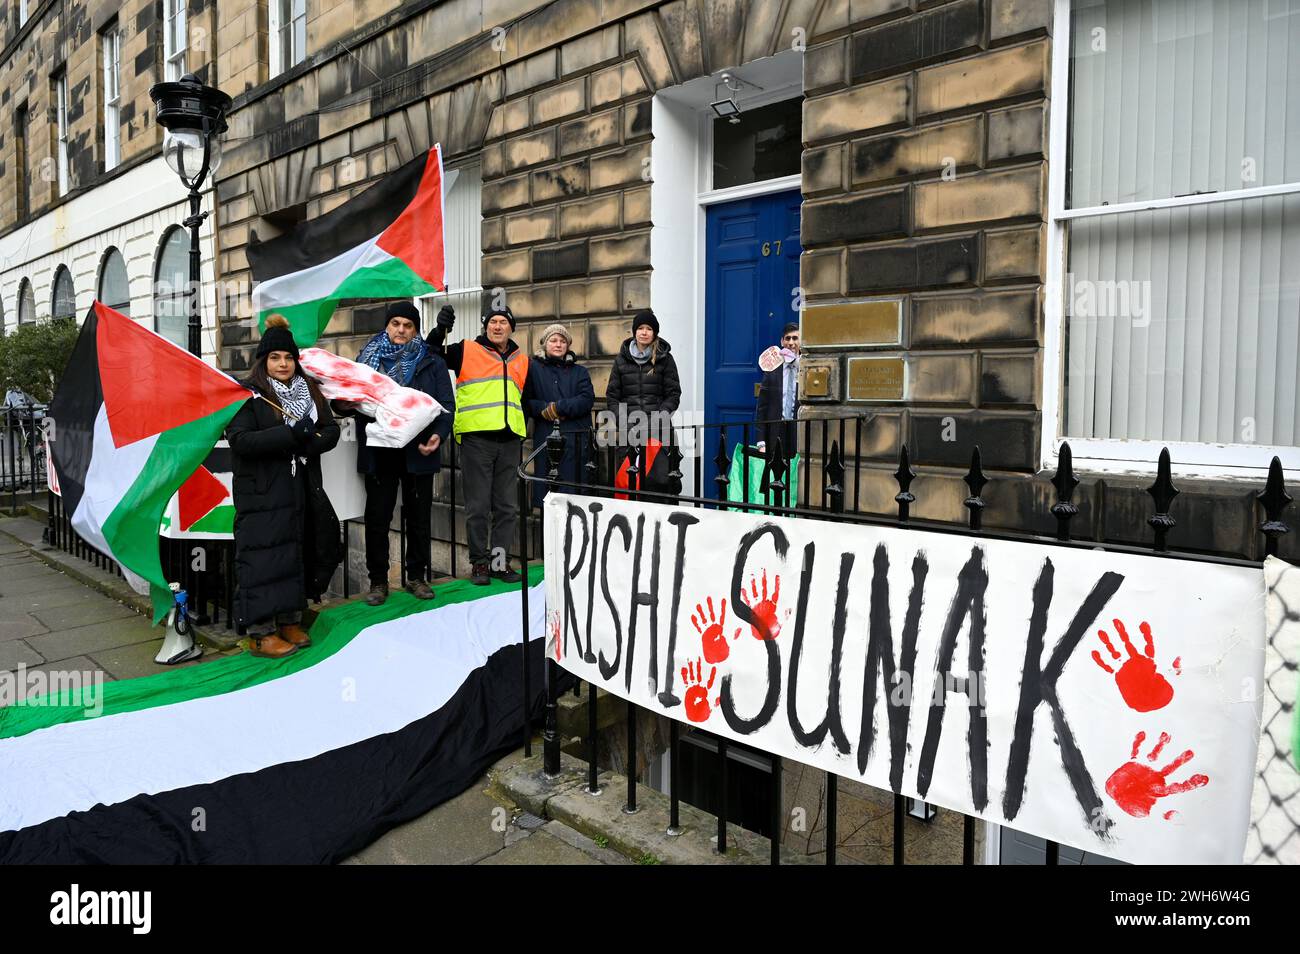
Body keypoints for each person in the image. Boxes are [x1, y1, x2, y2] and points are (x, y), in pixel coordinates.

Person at [227, 315, 341, 659]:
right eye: (275, 358)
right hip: (263, 492)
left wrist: (308, 444)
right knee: (264, 557)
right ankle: (261, 632)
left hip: (299, 487)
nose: (283, 364)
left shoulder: (311, 393)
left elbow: (330, 430)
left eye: (289, 358)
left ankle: (289, 619)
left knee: (295, 552)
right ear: (264, 361)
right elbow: (241, 440)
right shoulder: (249, 395)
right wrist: (291, 435)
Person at [339, 301, 454, 606]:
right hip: (380, 451)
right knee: (378, 517)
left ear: (415, 329)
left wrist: (438, 436)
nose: (401, 330)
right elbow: (344, 400)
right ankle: (378, 581)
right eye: (396, 324)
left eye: (408, 325)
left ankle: (416, 576)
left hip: (419, 450)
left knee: (419, 518)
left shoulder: (431, 361)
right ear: (387, 326)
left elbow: (446, 406)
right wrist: (344, 404)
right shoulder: (366, 361)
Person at [427, 304, 530, 586]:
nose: (498, 326)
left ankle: (499, 563)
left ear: (511, 327)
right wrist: (439, 330)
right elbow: (430, 353)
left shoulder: (522, 359)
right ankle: (480, 564)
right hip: (476, 438)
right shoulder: (466, 349)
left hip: (509, 439)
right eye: (492, 322)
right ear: (485, 326)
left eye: (503, 322)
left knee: (507, 507)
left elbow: (527, 398)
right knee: (478, 506)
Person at [605, 310, 681, 495]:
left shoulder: (665, 359)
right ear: (634, 331)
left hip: (658, 432)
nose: (644, 332)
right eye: (640, 328)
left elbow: (673, 395)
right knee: (629, 483)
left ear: (654, 333)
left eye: (649, 328)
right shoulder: (621, 360)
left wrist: (656, 421)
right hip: (629, 431)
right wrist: (626, 423)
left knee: (660, 485)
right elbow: (612, 397)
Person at [527, 323, 595, 506]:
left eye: (562, 341)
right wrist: (544, 409)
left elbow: (586, 400)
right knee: (548, 500)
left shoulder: (580, 372)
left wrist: (558, 408)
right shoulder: (533, 369)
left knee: (574, 500)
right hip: (546, 440)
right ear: (545, 344)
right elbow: (527, 402)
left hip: (575, 441)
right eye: (553, 340)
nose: (558, 344)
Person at [755, 321, 801, 459]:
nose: (791, 342)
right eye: (787, 338)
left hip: (798, 430)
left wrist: (797, 363)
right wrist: (761, 441)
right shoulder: (772, 370)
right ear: (782, 341)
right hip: (776, 431)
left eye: (795, 338)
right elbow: (762, 407)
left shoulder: (806, 367)